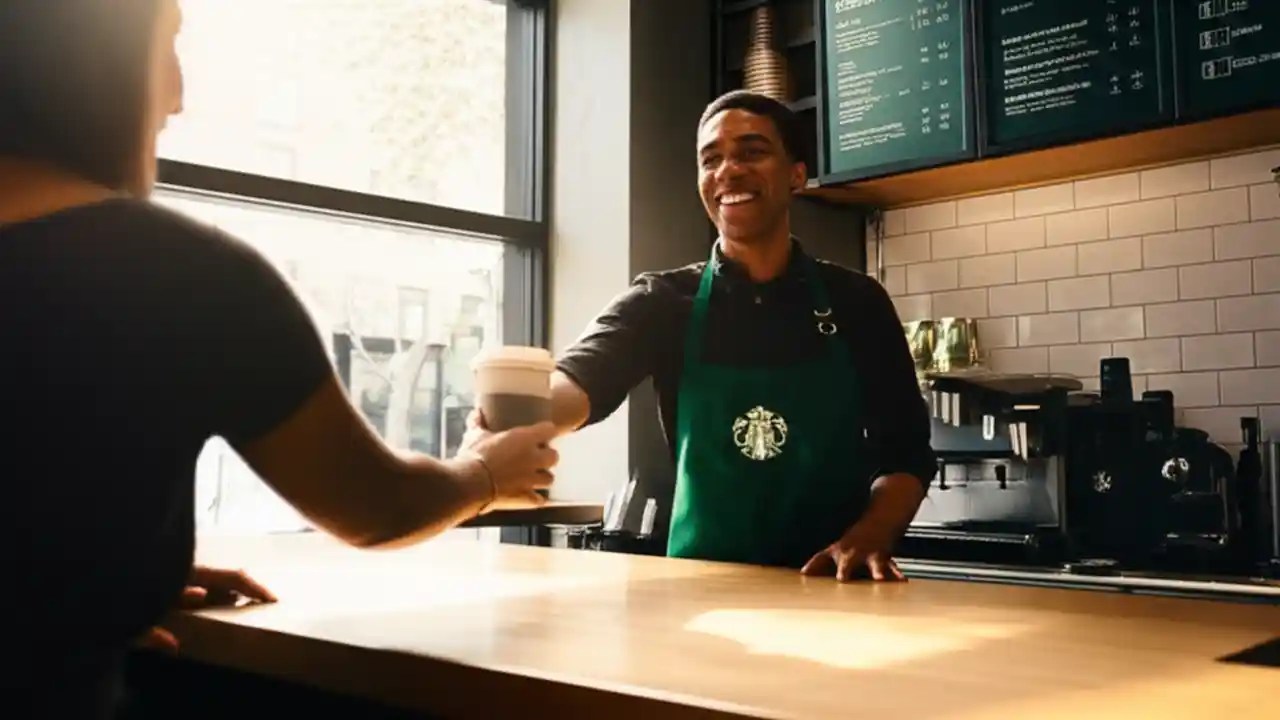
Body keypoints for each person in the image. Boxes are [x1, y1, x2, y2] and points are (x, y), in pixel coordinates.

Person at [0, 1, 558, 717]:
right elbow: (375, 506)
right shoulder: (179, 275)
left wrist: (98, 573)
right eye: (165, 45)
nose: (176, 95)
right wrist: (484, 474)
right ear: (90, 60)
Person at [544, 91, 935, 581]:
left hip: (831, 589)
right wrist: (520, 416)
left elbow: (906, 451)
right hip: (698, 592)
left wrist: (870, 535)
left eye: (752, 152)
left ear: (796, 173)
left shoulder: (857, 302)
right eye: (711, 159)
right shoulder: (662, 301)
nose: (728, 171)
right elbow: (580, 381)